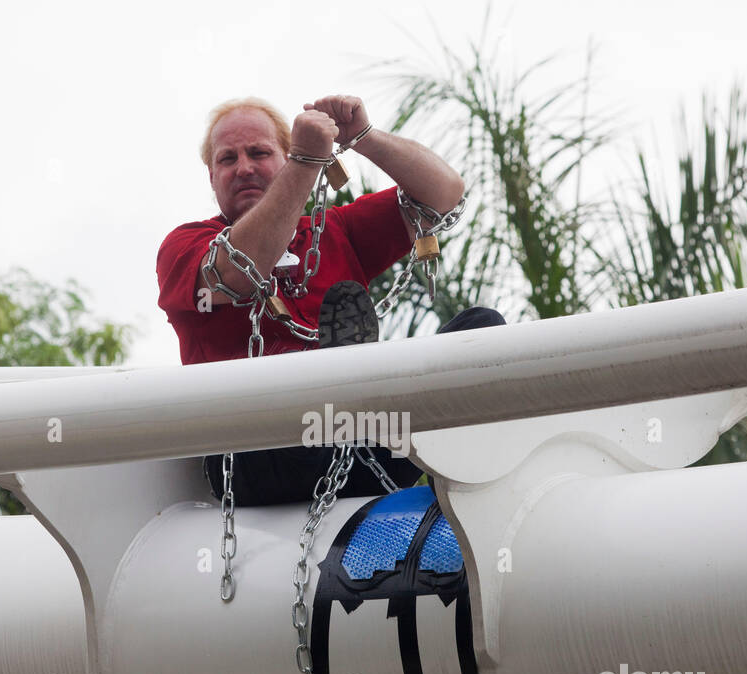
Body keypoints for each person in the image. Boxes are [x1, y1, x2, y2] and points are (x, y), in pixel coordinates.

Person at [155, 95, 504, 505]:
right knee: (317, 410)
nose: (244, 167)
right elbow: (237, 271)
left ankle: (351, 394)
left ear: (282, 159)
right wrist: (306, 162)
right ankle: (340, 380)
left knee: (480, 331)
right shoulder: (185, 246)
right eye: (227, 159)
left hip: (372, 435)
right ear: (211, 178)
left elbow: (443, 194)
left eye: (259, 152)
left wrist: (363, 137)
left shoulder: (334, 230)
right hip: (254, 453)